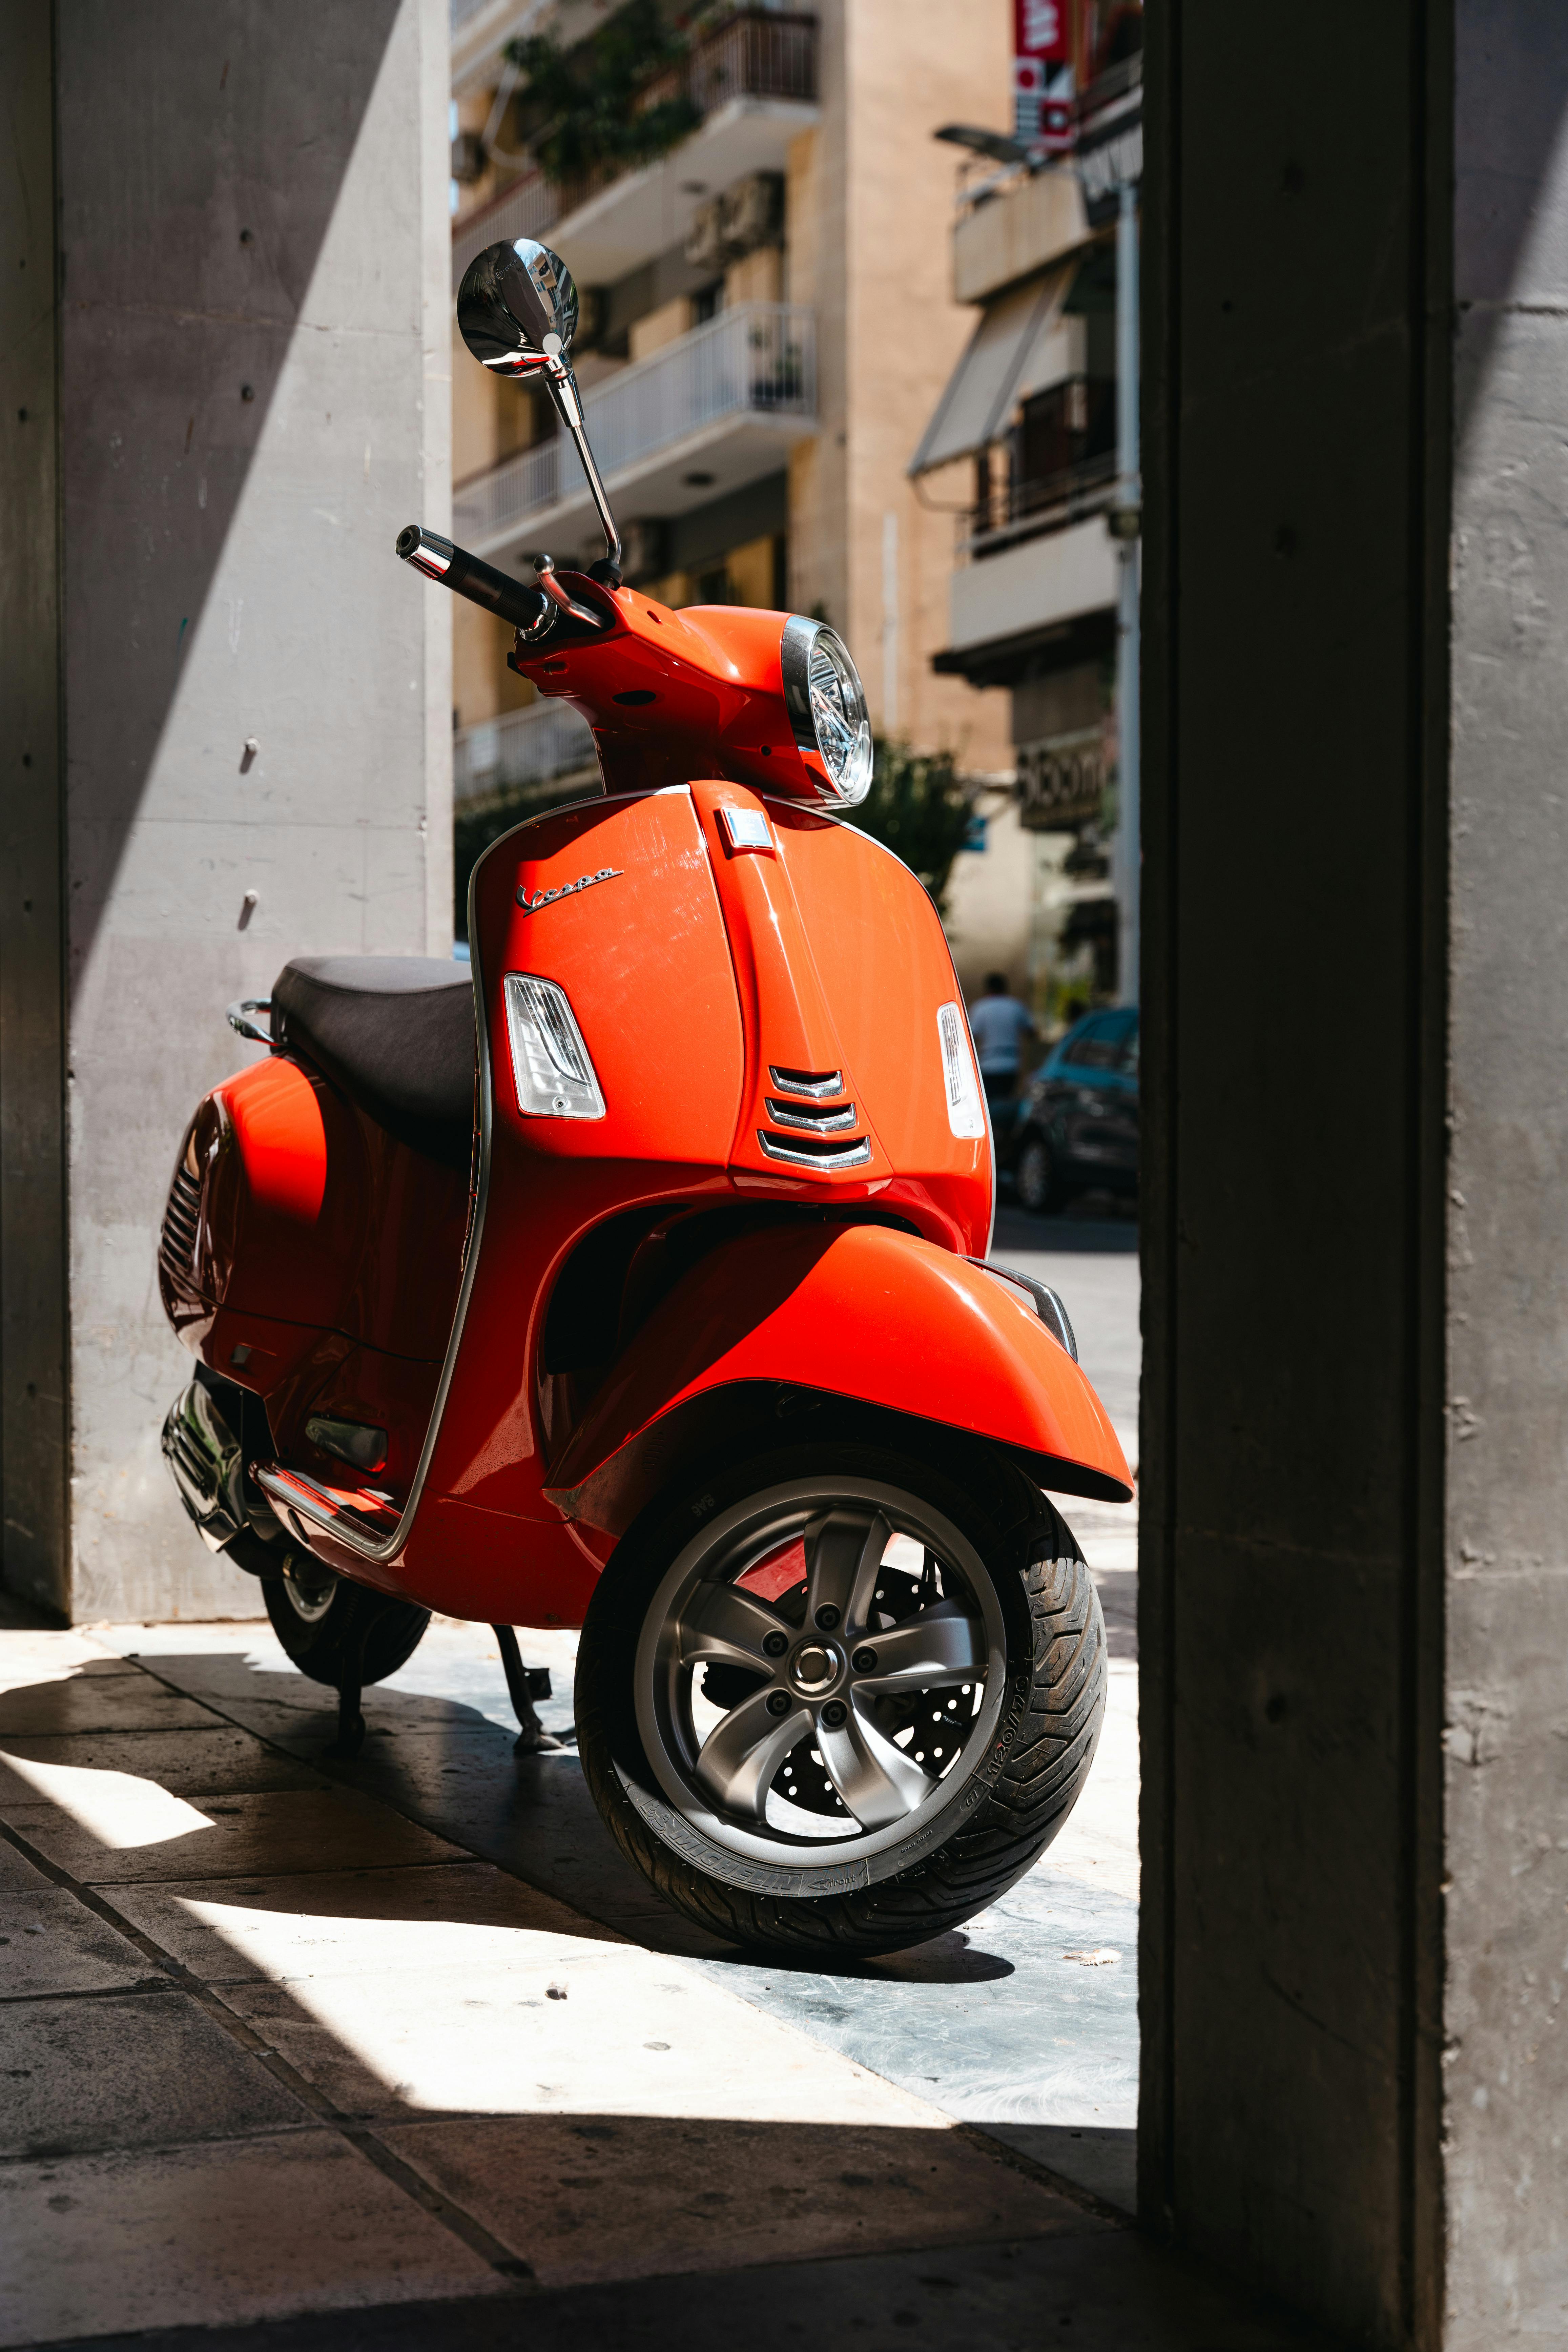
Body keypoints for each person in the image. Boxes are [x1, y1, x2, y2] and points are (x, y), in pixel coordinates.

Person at [967, 972, 1035, 1110]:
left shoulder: (980, 1008)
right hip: (1011, 1064)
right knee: (1005, 1102)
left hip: (988, 1064)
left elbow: (971, 1036)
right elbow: (1031, 1033)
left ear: (987, 989)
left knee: (990, 1105)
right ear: (1005, 988)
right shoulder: (1016, 1006)